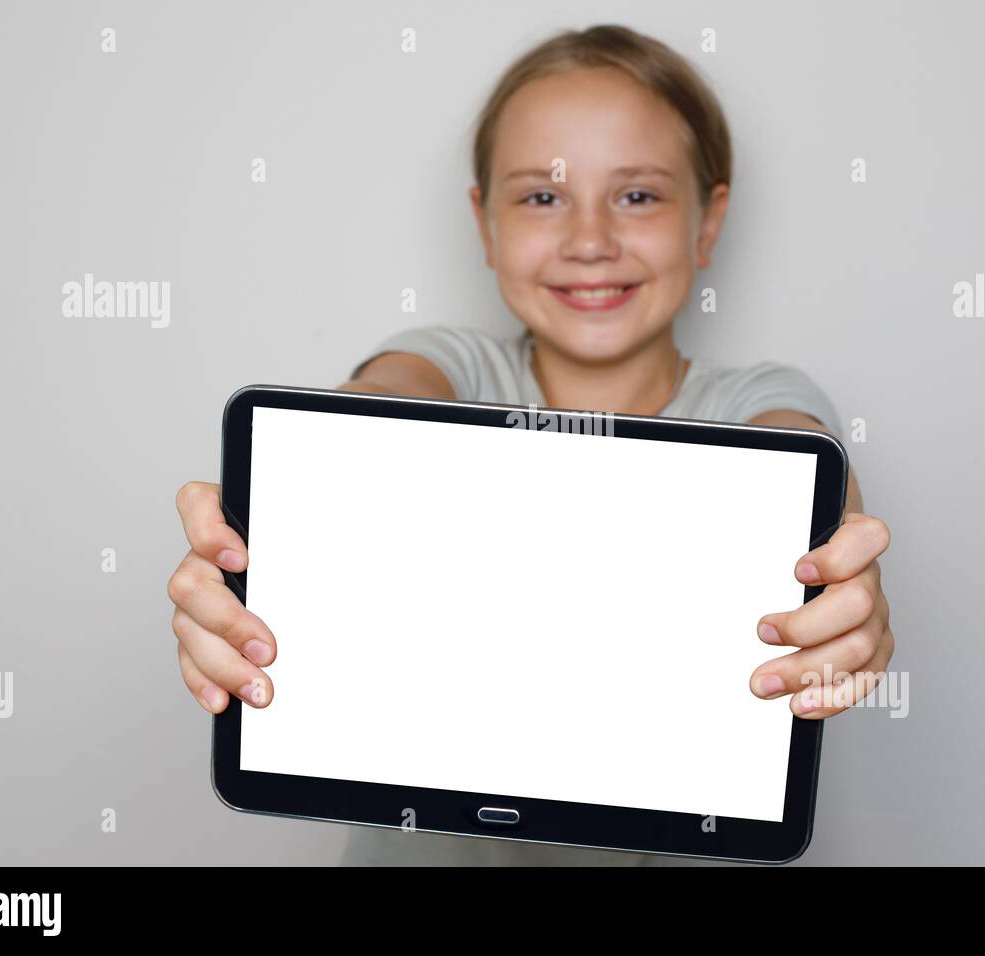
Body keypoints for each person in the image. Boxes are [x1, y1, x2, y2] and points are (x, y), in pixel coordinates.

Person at [167, 24, 894, 866]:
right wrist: (282, 500)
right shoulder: (450, 366)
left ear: (708, 222)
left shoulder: (758, 403)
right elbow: (373, 404)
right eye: (542, 197)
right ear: (485, 223)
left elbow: (801, 459)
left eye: (639, 195)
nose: (590, 240)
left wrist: (843, 578)